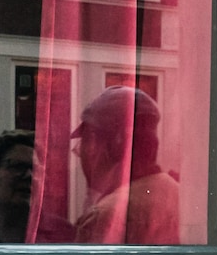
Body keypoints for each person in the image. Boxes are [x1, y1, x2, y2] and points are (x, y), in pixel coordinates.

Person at [72, 85, 178, 245]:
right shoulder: (179, 196)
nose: (82, 156)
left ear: (95, 142)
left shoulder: (106, 216)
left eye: (84, 144)